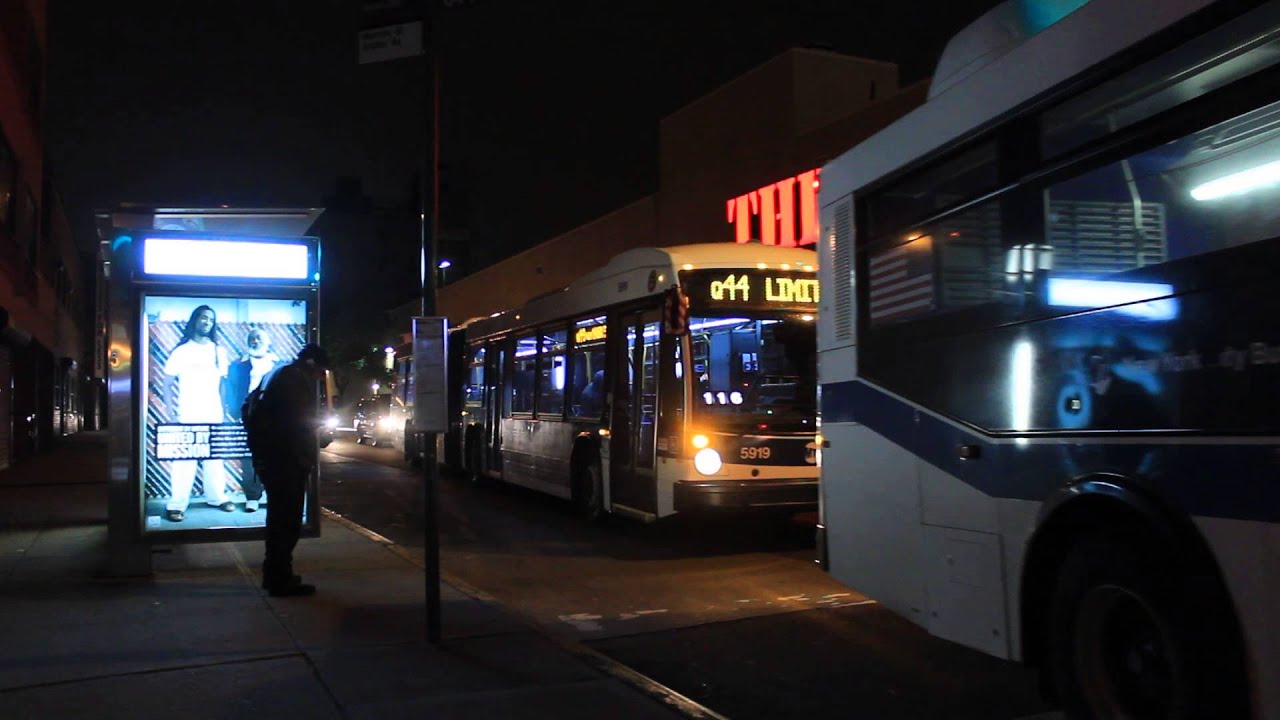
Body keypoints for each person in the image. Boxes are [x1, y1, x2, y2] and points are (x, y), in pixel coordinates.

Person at [252, 342, 329, 597]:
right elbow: (297, 422)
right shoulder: (294, 380)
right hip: (286, 461)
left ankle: (274, 575)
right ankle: (279, 579)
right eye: (320, 371)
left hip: (273, 458)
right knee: (286, 522)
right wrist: (318, 436)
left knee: (278, 520)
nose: (319, 377)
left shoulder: (277, 373)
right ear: (311, 364)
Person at [163, 305, 233, 522]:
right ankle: (177, 505)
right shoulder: (181, 351)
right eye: (203, 318)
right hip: (188, 414)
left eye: (211, 319)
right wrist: (171, 413)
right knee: (184, 461)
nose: (207, 322)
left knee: (215, 459)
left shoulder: (219, 351)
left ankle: (217, 498)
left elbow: (223, 385)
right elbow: (167, 383)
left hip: (213, 414)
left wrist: (224, 411)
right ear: (195, 320)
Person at [224, 328, 281, 512]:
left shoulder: (279, 365)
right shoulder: (237, 366)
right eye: (252, 339)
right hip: (247, 416)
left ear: (268, 343)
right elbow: (231, 390)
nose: (255, 341)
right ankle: (252, 496)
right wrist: (234, 413)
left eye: (259, 338)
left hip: (273, 417)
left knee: (273, 456)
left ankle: (271, 494)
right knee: (248, 457)